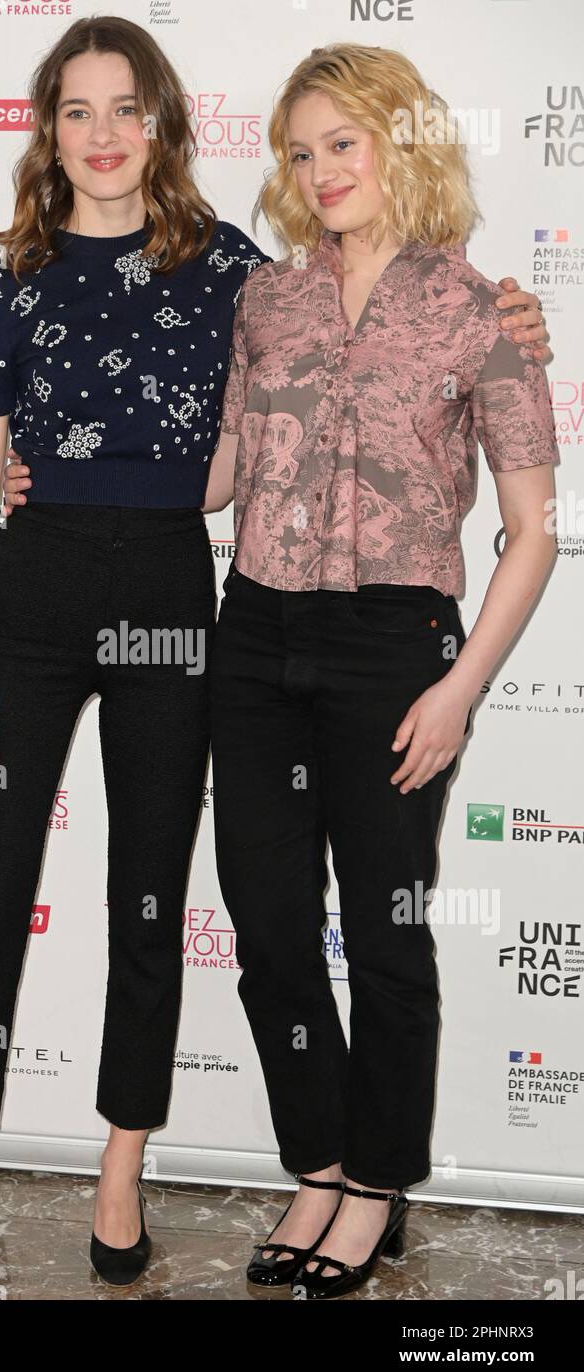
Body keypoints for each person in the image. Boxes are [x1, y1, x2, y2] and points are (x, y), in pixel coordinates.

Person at [0, 15, 271, 1292]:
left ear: (162, 122)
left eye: (126, 108)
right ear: (48, 131)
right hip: (32, 600)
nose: (103, 136)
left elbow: (312, 367)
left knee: (147, 896)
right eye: (77, 110)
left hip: (165, 591)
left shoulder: (230, 271)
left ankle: (119, 1168)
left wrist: (501, 312)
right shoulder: (7, 280)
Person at [201, 42, 560, 1299]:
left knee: (390, 933)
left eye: (341, 142)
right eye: (299, 152)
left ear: (399, 141)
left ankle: (376, 1182)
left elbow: (533, 532)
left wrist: (454, 688)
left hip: (392, 649)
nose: (318, 171)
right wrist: (61, 476)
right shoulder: (263, 301)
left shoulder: (478, 310)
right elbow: (217, 476)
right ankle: (316, 1163)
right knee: (269, 930)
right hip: (249, 639)